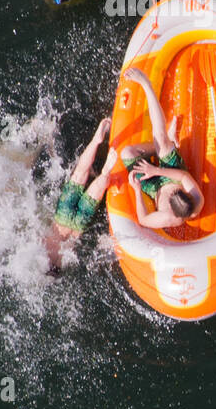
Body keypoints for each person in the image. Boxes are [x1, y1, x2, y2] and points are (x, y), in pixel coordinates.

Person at [118, 68, 204, 229]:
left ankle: (166, 143)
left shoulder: (167, 218)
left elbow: (143, 220)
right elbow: (182, 175)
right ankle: (146, 84)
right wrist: (156, 170)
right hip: (172, 173)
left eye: (172, 194)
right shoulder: (197, 199)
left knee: (126, 153)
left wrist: (137, 190)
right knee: (161, 139)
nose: (173, 191)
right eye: (180, 191)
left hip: (153, 187)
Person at [46, 117, 117, 271]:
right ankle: (96, 140)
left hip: (77, 228)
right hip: (62, 217)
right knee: (79, 174)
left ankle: (105, 174)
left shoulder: (56, 262)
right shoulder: (42, 251)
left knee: (93, 196)